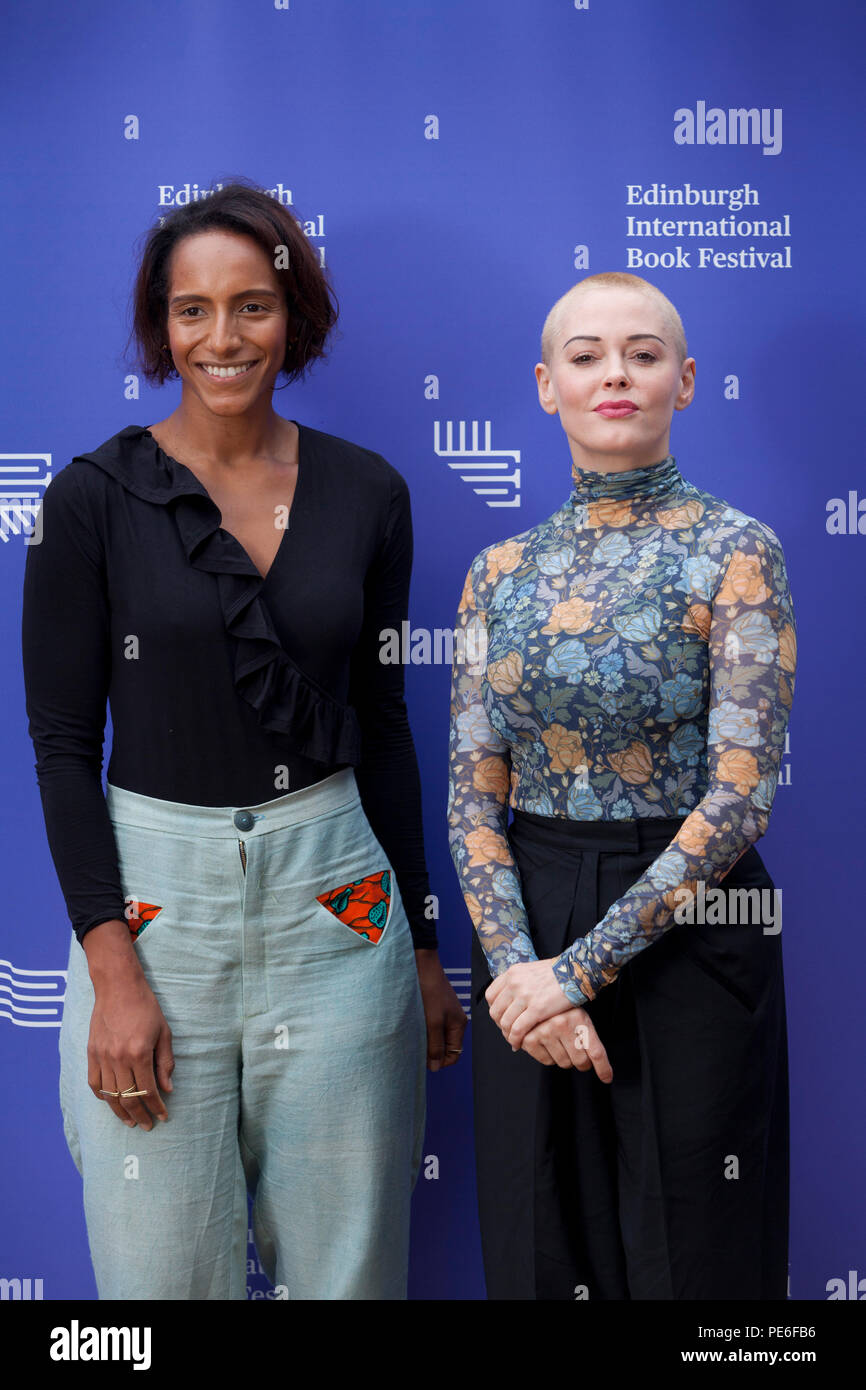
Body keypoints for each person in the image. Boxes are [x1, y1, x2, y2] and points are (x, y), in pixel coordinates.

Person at [22, 179, 466, 1301]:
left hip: (338, 902)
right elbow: (63, 743)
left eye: (251, 306)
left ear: (294, 315)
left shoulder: (369, 491)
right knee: (156, 1279)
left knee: (349, 1273)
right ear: (161, 328)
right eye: (191, 311)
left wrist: (416, 946)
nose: (222, 338)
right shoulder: (90, 501)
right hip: (155, 911)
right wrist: (111, 966)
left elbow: (381, 727)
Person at [447, 271, 796, 1300]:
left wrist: (575, 973)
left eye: (641, 355)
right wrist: (521, 976)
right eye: (586, 355)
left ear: (682, 382)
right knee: (538, 1240)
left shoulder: (737, 551)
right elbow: (473, 797)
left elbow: (739, 796)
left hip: (692, 922)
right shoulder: (498, 571)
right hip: (528, 927)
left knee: (697, 1246)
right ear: (545, 384)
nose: (614, 374)